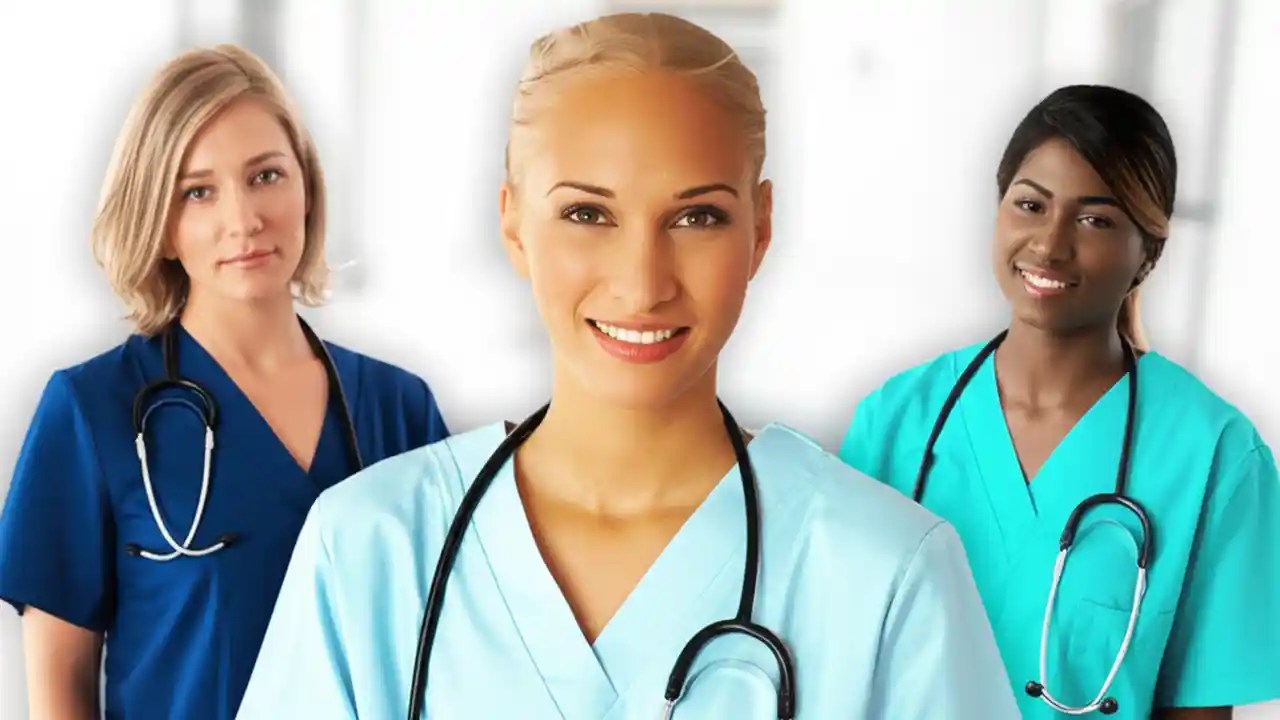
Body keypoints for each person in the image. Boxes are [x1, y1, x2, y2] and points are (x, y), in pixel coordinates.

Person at [236, 13, 1017, 720]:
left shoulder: (886, 572)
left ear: (761, 228)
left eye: (697, 216)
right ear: (512, 224)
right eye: (587, 214)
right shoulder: (370, 548)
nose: (643, 283)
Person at [0, 44, 449, 720]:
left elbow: (447, 650)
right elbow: (59, 692)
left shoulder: (397, 409)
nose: (244, 219)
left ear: (306, 187)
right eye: (198, 191)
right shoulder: (93, 412)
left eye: (266, 175)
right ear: (162, 223)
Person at [838, 84, 1280, 719]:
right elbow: (835, 664)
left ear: (1148, 254)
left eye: (1095, 219)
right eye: (1030, 205)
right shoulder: (895, 422)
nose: (1049, 245)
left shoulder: (1215, 455)